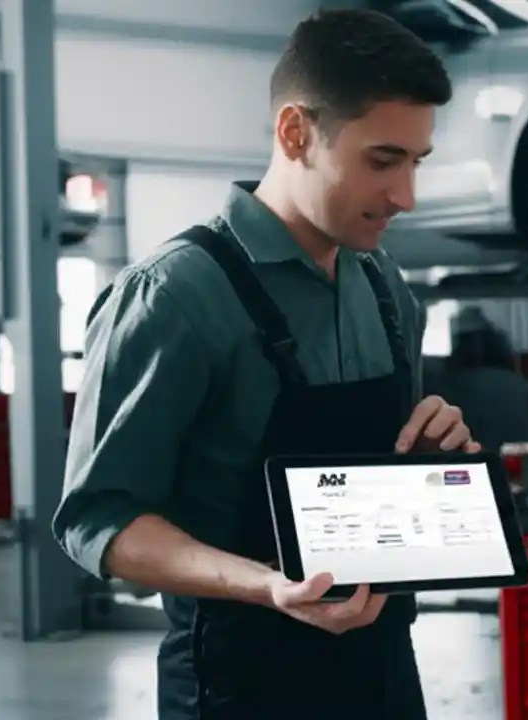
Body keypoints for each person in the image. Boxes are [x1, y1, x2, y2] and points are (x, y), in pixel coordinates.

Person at [51, 9, 474, 719]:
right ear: (294, 133)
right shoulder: (175, 296)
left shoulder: (386, 290)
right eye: (382, 160)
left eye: (416, 162)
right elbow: (99, 520)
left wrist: (432, 463)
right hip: (239, 685)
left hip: (385, 679)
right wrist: (265, 584)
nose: (406, 196)